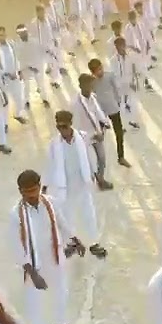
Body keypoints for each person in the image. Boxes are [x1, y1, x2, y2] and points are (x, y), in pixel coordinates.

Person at [9, 169, 89, 324]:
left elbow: (62, 222)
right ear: (20, 191)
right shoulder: (15, 215)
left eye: (34, 190)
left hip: (54, 255)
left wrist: (75, 239)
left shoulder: (50, 203)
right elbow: (15, 246)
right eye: (26, 192)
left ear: (39, 186)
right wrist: (33, 273)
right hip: (32, 262)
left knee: (62, 291)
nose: (31, 196)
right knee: (34, 300)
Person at [43, 110, 110, 258]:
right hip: (65, 185)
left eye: (64, 126)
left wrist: (95, 174)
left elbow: (95, 143)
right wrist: (45, 185)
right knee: (67, 215)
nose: (62, 130)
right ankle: (71, 243)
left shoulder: (83, 137)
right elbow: (50, 164)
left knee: (89, 213)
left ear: (70, 124)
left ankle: (94, 243)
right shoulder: (54, 144)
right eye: (59, 127)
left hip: (82, 181)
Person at [71, 73, 113, 189]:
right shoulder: (76, 104)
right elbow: (76, 126)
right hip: (86, 138)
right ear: (81, 86)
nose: (91, 88)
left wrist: (105, 122)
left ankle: (101, 179)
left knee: (102, 159)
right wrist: (91, 136)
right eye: (89, 85)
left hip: (97, 134)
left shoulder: (93, 97)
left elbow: (98, 112)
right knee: (89, 162)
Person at [87, 58, 131, 169]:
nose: (100, 72)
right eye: (97, 70)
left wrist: (118, 100)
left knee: (119, 133)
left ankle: (121, 157)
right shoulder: (91, 82)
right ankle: (98, 159)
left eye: (101, 68)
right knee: (99, 135)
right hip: (100, 111)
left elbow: (116, 89)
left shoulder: (110, 76)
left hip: (113, 108)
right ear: (93, 72)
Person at [0, 26, 28, 124]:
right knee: (5, 103)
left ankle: (17, 114)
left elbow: (18, 58)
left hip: (15, 76)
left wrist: (19, 71)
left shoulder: (11, 44)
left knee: (20, 98)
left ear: (5, 35)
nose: (0, 37)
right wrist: (4, 74)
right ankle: (5, 124)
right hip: (3, 79)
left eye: (2, 35)